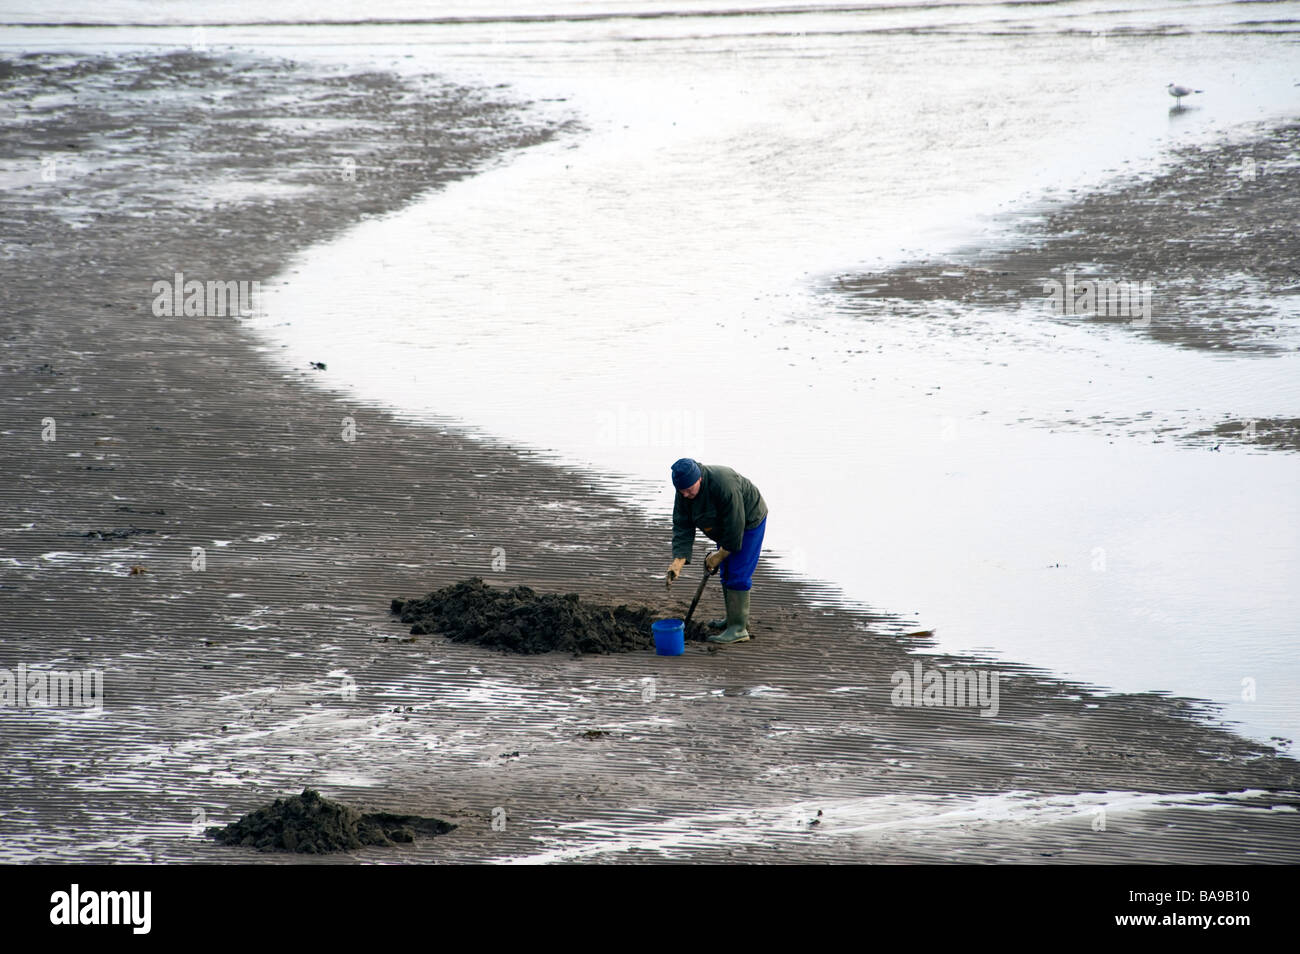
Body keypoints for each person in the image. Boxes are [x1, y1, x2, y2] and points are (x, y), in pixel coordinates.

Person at [665, 458, 768, 644]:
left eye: (689, 489)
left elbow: (736, 524)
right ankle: (733, 618)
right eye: (682, 491)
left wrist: (721, 554)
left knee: (738, 572)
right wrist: (678, 560)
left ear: (699, 479)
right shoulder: (683, 494)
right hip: (722, 525)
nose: (686, 495)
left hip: (749, 520)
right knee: (726, 571)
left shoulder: (723, 484)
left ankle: (738, 629)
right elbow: (682, 525)